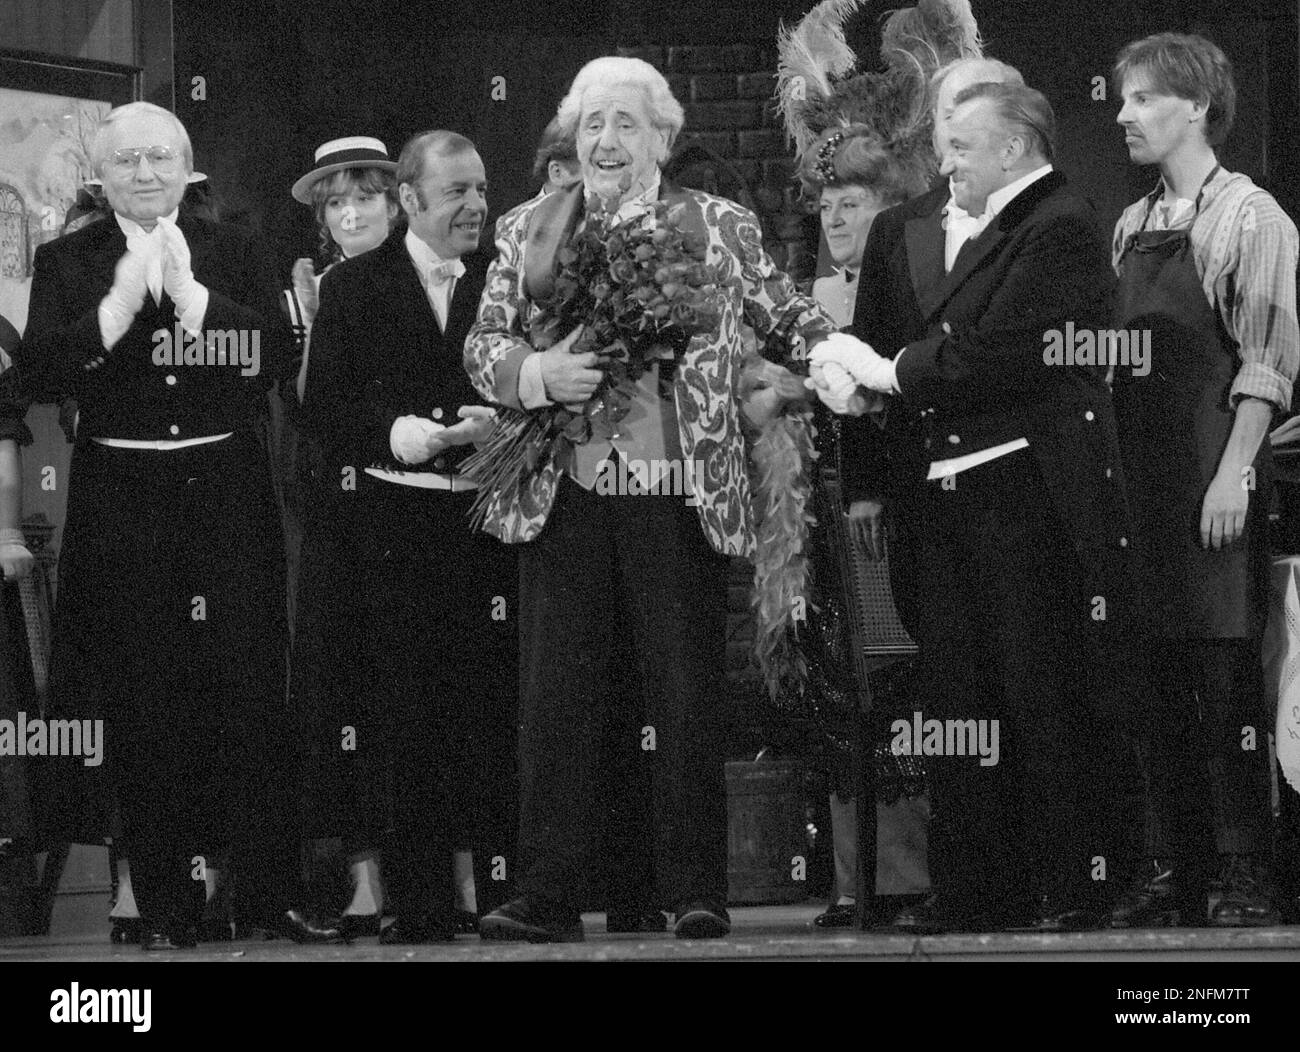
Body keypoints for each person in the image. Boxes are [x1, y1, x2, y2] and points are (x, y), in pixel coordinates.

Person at [466, 55, 838, 942]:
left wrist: (844, 366)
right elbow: (483, 344)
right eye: (591, 123)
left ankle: (693, 889)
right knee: (555, 702)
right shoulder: (528, 230)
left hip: (678, 491)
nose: (604, 139)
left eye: (625, 123)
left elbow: (790, 317)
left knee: (682, 698)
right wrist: (535, 372)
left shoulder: (719, 227)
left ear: (662, 140)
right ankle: (548, 892)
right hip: (563, 492)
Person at [17, 101, 343, 950]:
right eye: (126, 162)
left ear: (188, 166)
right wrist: (116, 310)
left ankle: (264, 899)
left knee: (244, 690)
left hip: (224, 488)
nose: (146, 173)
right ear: (101, 176)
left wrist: (195, 300)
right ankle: (161, 905)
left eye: (160, 157)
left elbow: (274, 355)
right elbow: (41, 371)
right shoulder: (67, 259)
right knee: (141, 699)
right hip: (121, 494)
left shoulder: (233, 245)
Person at [810, 83, 1132, 933]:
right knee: (957, 700)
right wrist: (858, 420)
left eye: (961, 145)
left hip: (1026, 496)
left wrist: (885, 372)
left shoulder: (1060, 222)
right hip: (936, 499)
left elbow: (998, 354)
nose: (944, 159)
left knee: (1041, 687)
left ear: (1015, 149)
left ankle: (1074, 881)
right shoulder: (908, 227)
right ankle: (975, 884)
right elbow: (882, 339)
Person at [302, 129, 517, 943]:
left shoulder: (506, 279)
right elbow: (325, 406)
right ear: (413, 201)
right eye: (457, 191)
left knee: (492, 707)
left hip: (490, 519)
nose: (475, 205)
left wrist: (497, 423)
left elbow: (533, 379)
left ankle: (501, 895)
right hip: (392, 524)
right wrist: (401, 433)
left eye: (482, 189)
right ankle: (420, 903)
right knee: (405, 714)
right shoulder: (353, 286)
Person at [1107, 32, 1299, 928]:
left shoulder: (1252, 220)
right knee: (1152, 687)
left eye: (1142, 99)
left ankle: (1243, 872)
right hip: (1144, 491)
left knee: (1226, 690)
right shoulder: (1131, 224)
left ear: (1194, 107)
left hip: (1215, 482)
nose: (1123, 114)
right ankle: (1169, 868)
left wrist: (1233, 479)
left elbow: (1263, 367)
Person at [285, 137, 400, 932]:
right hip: (335, 504)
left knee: (429, 689)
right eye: (336, 201)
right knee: (344, 686)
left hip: (422, 503)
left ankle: (460, 870)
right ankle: (366, 877)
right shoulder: (305, 293)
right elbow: (303, 406)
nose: (350, 211)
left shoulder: (443, 275)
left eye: (365, 195)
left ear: (398, 203)